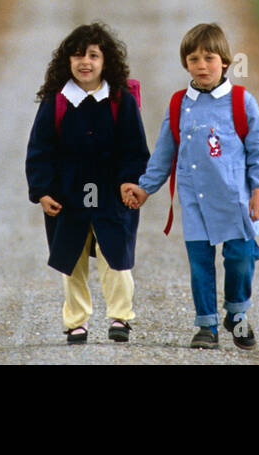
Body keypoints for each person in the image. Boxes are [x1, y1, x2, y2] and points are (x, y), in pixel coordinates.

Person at [122, 22, 259, 349]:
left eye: (209, 58)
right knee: (200, 264)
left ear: (224, 61)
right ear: (185, 64)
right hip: (195, 201)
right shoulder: (179, 104)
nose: (201, 66)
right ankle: (206, 325)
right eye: (193, 59)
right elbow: (164, 152)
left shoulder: (241, 102)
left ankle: (236, 312)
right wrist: (145, 188)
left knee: (241, 258)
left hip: (236, 200)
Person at [26, 21, 150, 344]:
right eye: (78, 56)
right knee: (72, 260)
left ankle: (120, 317)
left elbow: (135, 149)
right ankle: (76, 321)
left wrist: (130, 182)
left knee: (117, 259)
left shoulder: (121, 100)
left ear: (105, 61)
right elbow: (40, 150)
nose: (86, 63)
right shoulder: (57, 102)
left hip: (112, 196)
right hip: (68, 196)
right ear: (66, 62)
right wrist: (42, 192)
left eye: (93, 56)